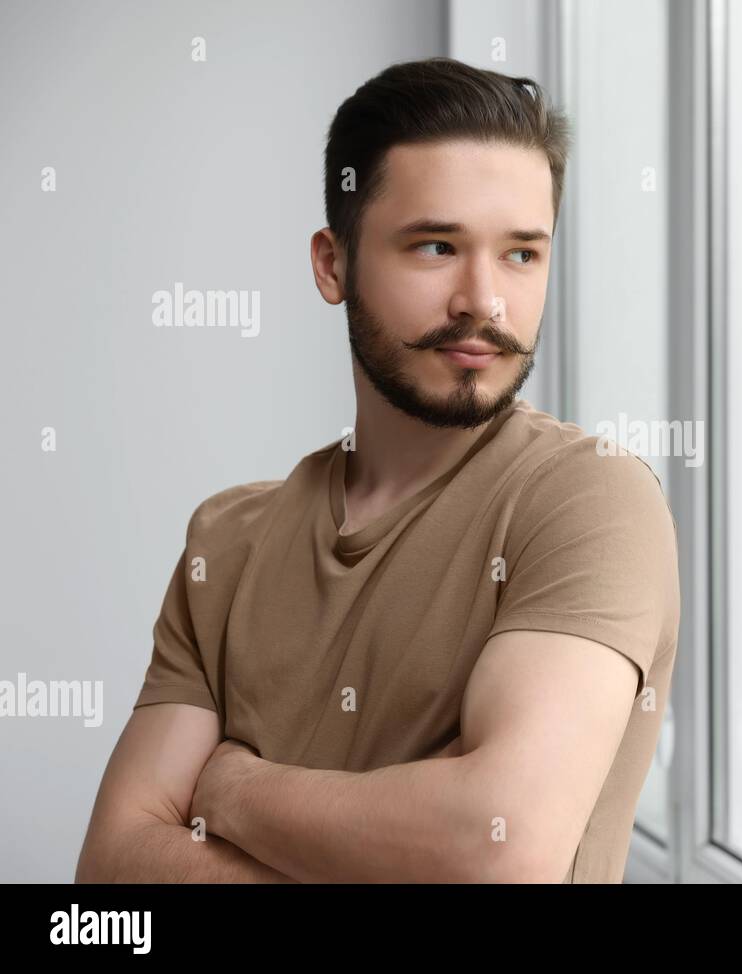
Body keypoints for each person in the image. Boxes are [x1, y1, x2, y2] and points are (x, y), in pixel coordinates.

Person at [74, 57, 680, 884]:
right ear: (333, 264)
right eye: (437, 245)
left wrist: (232, 786)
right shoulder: (227, 541)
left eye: (521, 256)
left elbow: (497, 847)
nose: (484, 301)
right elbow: (113, 868)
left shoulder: (589, 500)